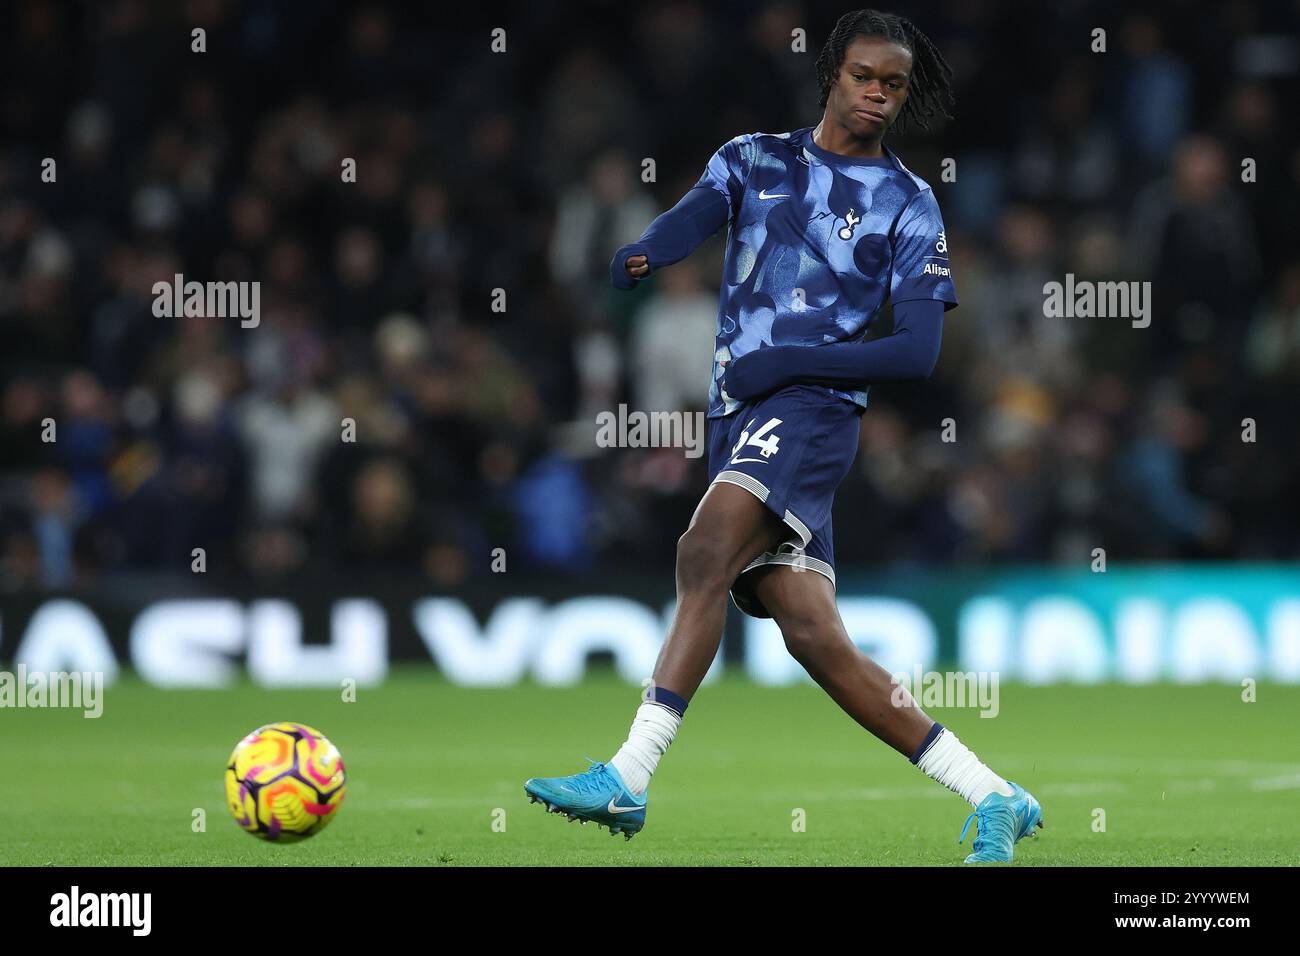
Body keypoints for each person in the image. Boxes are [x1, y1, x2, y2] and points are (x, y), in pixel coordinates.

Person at [525, 8, 1042, 863]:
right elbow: (694, 217)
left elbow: (917, 351)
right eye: (864, 77)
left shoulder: (908, 204)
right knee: (816, 640)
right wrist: (646, 251)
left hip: (812, 412)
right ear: (832, 73)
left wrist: (791, 361)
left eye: (894, 85)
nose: (878, 94)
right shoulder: (752, 156)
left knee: (705, 549)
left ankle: (629, 775)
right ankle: (994, 794)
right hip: (740, 416)